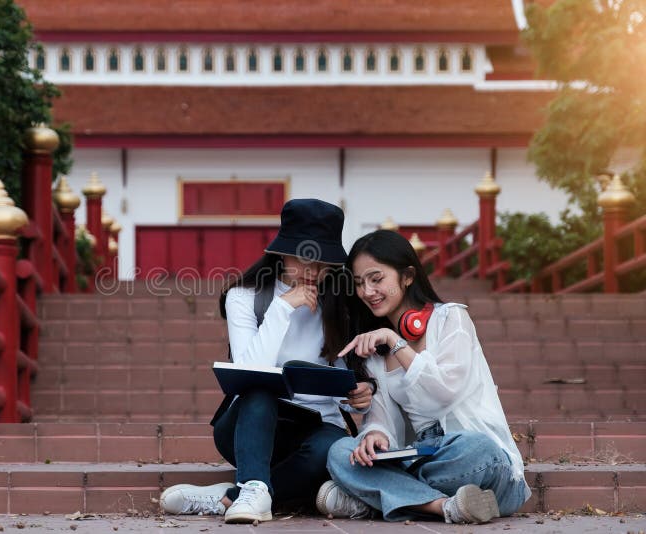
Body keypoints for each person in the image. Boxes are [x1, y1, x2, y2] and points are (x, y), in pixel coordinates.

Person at [160, 199, 375, 524]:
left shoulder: (342, 303)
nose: (314, 273)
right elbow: (249, 372)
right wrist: (282, 308)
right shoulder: (245, 297)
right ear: (282, 252)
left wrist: (360, 395)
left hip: (317, 426)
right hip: (251, 422)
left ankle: (238, 494)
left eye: (324, 263)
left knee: (329, 453)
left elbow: (346, 385)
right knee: (260, 389)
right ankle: (252, 489)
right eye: (305, 260)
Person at [316, 229, 530, 524]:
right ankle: (443, 507)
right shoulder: (376, 352)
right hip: (419, 458)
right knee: (341, 452)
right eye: (359, 283)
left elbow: (445, 392)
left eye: (376, 279)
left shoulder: (451, 319)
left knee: (479, 448)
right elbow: (381, 418)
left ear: (407, 276)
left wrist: (396, 342)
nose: (366, 291)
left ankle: (373, 498)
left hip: (478, 465)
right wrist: (375, 435)